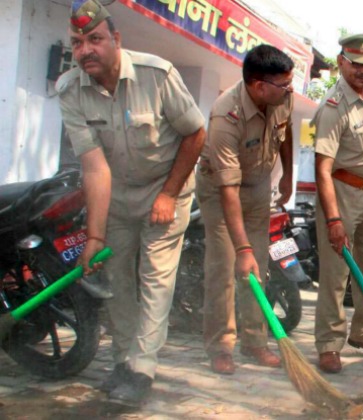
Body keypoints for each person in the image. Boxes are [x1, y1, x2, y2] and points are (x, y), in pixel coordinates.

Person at [57, 0, 206, 406]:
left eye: (95, 39)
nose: (85, 50)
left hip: (165, 187)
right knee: (117, 278)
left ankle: (142, 367)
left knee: (155, 277)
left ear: (116, 39)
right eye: (76, 43)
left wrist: (169, 194)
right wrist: (94, 237)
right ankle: (123, 359)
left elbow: (195, 133)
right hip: (117, 195)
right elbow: (94, 167)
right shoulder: (70, 90)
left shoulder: (157, 74)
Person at [196, 45, 295, 375]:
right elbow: (227, 189)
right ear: (259, 86)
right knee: (226, 266)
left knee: (258, 266)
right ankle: (220, 346)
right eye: (284, 84)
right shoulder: (226, 116)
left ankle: (254, 341)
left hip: (258, 185)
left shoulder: (281, 97)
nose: (290, 90)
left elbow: (286, 133)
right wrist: (242, 248)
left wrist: (288, 176)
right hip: (221, 191)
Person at [312, 34, 363, 374]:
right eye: (357, 64)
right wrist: (333, 220)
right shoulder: (333, 106)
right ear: (341, 61)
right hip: (342, 193)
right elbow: (322, 168)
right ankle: (329, 344)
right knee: (335, 273)